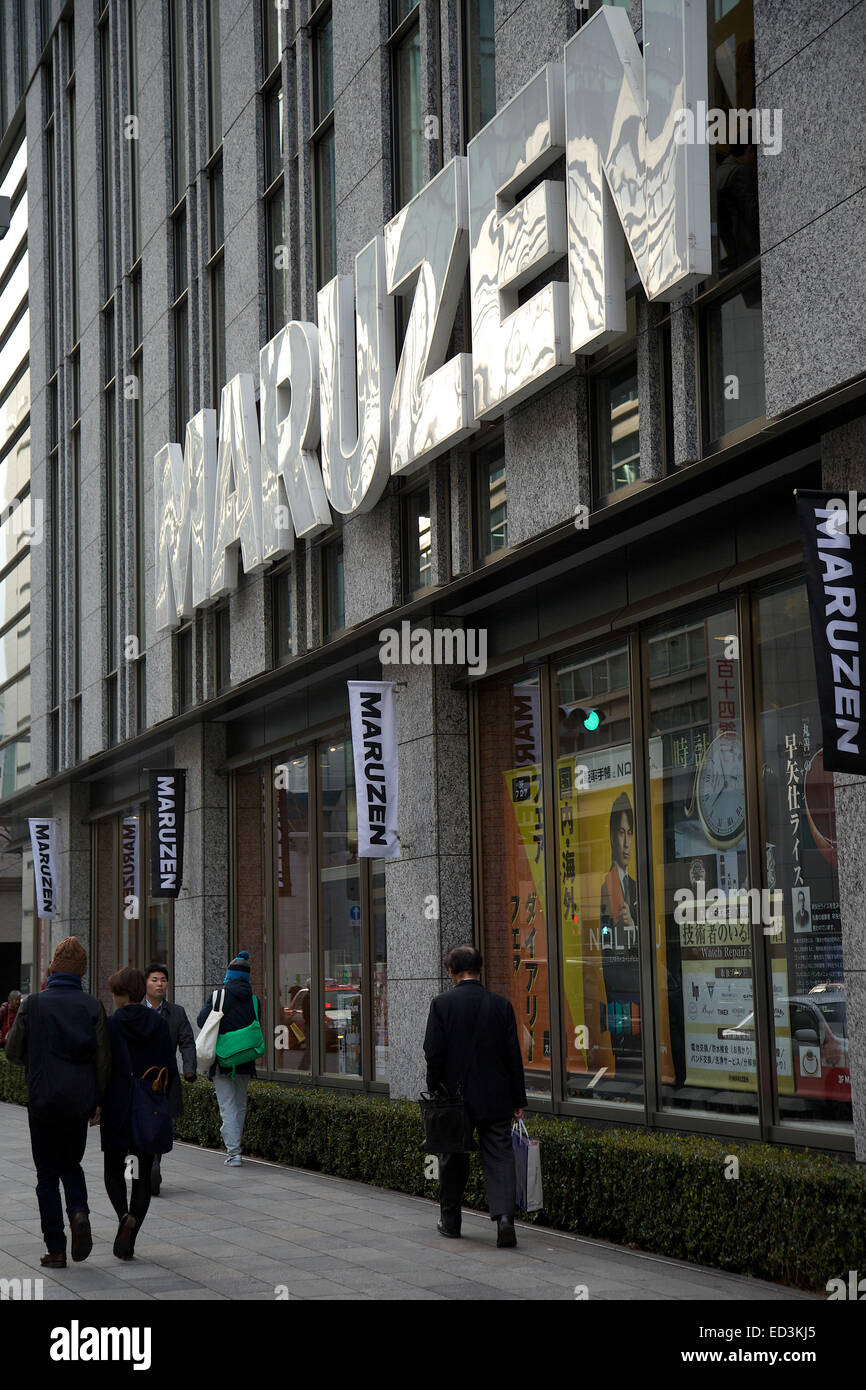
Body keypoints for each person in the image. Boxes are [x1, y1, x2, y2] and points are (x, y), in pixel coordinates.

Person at [4, 937, 110, 1269]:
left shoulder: (32, 1004)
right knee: (71, 1164)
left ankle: (56, 1248)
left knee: (46, 1174)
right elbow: (103, 1060)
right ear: (81, 972)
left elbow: (12, 1052)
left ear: (52, 968)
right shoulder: (92, 1006)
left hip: (43, 1099)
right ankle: (78, 1211)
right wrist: (98, 1101)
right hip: (78, 1101)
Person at [423, 944, 527, 1248]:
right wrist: (517, 1100)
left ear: (452, 971)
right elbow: (513, 1057)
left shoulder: (442, 1004)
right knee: (499, 1157)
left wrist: (436, 1090)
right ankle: (505, 1219)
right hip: (496, 1097)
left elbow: (433, 1052)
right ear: (480, 969)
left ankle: (451, 1221)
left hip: (455, 1101)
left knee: (453, 1157)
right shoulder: (500, 1005)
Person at [100, 967, 177, 1260]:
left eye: (115, 992)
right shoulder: (158, 1024)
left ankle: (123, 1218)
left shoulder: (111, 1024)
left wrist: (95, 1102)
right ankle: (130, 1237)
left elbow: (102, 1066)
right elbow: (169, 1066)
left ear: (122, 994)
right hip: (149, 1107)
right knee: (142, 1175)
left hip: (117, 1104)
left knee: (113, 1168)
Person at [197, 950, 262, 1167]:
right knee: (239, 1104)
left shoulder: (219, 996)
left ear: (229, 975)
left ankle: (234, 1152)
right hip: (245, 1060)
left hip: (223, 1061)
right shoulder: (254, 1000)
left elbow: (200, 1021)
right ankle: (234, 1144)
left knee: (227, 1106)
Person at [143, 963, 197, 1196]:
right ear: (145, 983)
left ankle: (154, 1165)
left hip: (166, 1079)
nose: (159, 984)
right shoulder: (137, 1011)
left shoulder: (176, 1012)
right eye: (154, 979)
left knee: (161, 1124)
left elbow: (187, 1041)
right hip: (140, 1079)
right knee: (141, 1124)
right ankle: (140, 1168)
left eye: (163, 980)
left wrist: (189, 1068)